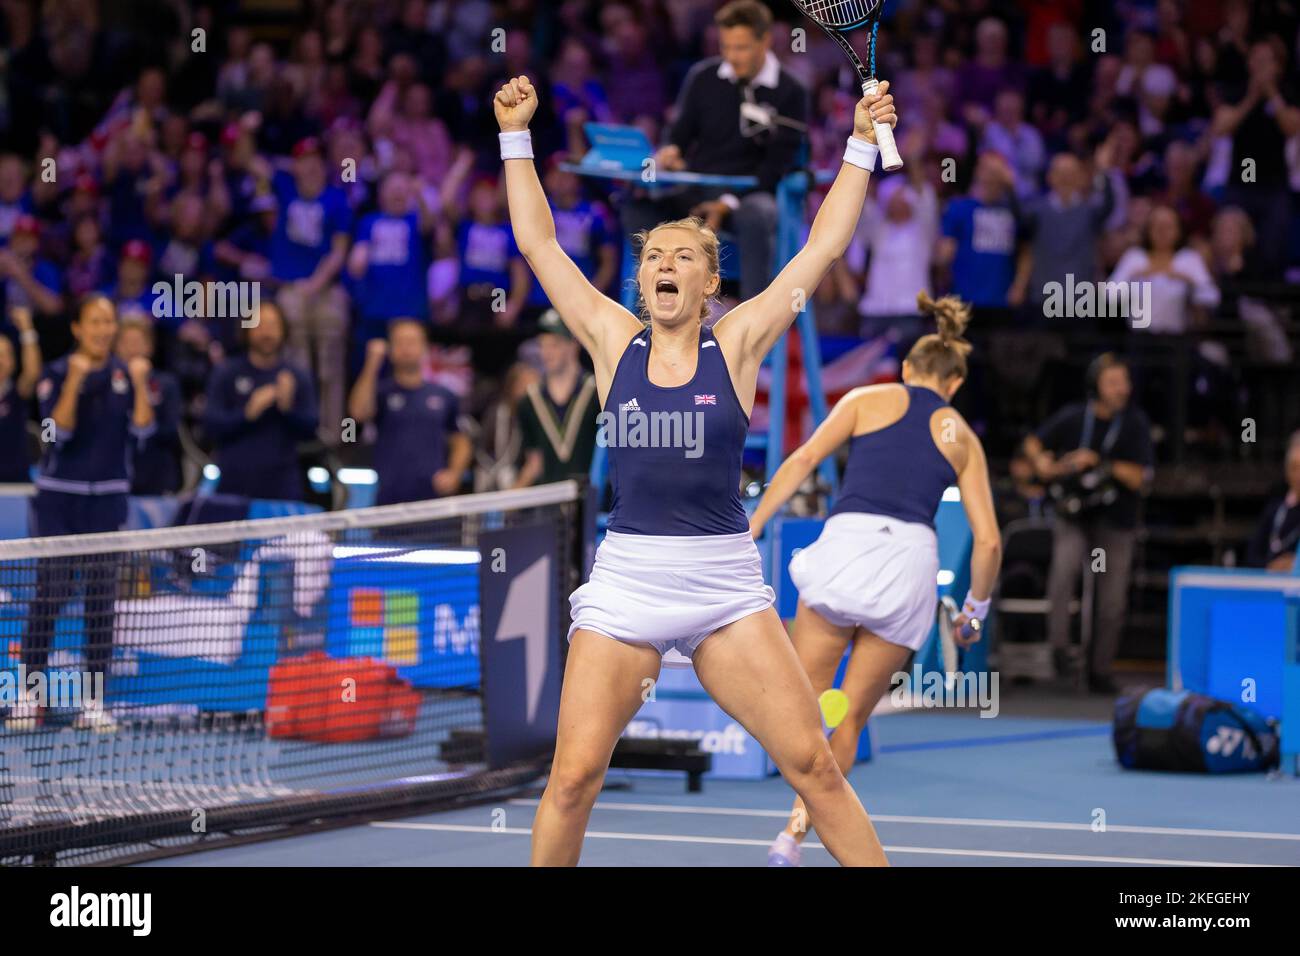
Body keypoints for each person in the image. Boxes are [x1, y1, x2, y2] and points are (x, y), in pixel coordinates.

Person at [497, 72, 897, 866]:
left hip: (723, 585)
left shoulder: (738, 342)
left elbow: (822, 247)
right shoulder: (612, 340)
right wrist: (516, 136)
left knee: (815, 765)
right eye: (655, 258)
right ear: (641, 283)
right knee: (572, 778)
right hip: (627, 584)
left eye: (685, 257)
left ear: (710, 283)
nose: (667, 264)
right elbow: (539, 243)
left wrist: (858, 143)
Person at [749, 292, 1002, 867]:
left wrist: (755, 526)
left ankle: (792, 825)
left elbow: (803, 459)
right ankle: (792, 837)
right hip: (909, 564)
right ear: (954, 383)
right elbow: (988, 542)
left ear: (908, 370)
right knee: (851, 717)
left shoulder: (868, 397)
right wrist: (973, 615)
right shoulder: (962, 434)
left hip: (847, 550)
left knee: (805, 705)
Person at [9, 294, 155, 732]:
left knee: (100, 602)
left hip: (107, 500)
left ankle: (94, 702)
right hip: (59, 501)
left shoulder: (126, 376)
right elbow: (58, 432)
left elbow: (145, 429)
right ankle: (28, 696)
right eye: (94, 321)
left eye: (108, 322)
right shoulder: (55, 373)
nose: (102, 329)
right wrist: (74, 378)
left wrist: (140, 381)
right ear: (77, 328)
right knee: (50, 595)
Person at [618, 0, 808, 303]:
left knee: (759, 214)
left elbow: (777, 167)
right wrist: (671, 152)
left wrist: (725, 204)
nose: (732, 57)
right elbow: (678, 135)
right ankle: (652, 312)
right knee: (636, 208)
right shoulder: (702, 77)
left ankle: (752, 323)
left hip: (749, 196)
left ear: (765, 41)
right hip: (698, 192)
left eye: (741, 48)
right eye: (726, 47)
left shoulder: (791, 91)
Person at [1022, 353, 1154, 693]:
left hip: (1115, 520)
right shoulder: (1074, 417)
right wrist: (1045, 464)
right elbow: (1032, 444)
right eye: (1113, 382)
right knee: (1063, 572)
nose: (1122, 389)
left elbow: (1140, 478)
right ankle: (1060, 651)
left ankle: (1100, 669)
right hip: (1074, 515)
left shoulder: (1135, 424)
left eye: (1125, 381)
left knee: (1111, 600)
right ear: (1096, 385)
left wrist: (1100, 463)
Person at [348, 318, 471, 505]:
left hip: (433, 500)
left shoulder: (444, 395)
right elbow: (358, 412)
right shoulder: (380, 393)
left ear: (425, 348)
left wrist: (454, 473)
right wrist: (372, 363)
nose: (406, 348)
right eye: (399, 342)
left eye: (412, 342)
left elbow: (460, 440)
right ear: (390, 348)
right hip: (389, 499)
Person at [204, 301, 318, 500]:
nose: (267, 333)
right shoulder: (226, 372)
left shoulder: (297, 376)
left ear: (284, 331)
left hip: (283, 488)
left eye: (273, 325)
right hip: (233, 487)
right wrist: (247, 413)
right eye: (260, 325)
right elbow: (210, 426)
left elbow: (311, 430)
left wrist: (287, 408)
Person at [513, 309, 599, 488]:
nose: (547, 352)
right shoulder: (529, 402)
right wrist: (506, 502)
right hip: (547, 508)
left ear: (574, 344)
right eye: (542, 345)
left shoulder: (598, 393)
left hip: (590, 504)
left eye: (555, 344)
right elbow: (534, 463)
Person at [115, 316, 183, 495]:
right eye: (126, 342)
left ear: (149, 346)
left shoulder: (166, 384)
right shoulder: (107, 383)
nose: (132, 348)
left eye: (137, 342)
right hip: (115, 477)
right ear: (116, 347)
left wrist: (140, 384)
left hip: (156, 477)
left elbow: (170, 431)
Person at [1244, 431, 1300, 573]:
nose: (1299, 475)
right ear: (1287, 472)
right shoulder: (1275, 510)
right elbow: (1252, 556)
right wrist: (1271, 567)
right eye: (1294, 468)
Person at [0, 305, 41, 482]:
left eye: (4, 355)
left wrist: (27, 330)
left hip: (16, 484)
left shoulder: (18, 393)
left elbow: (32, 372)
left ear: (14, 362)